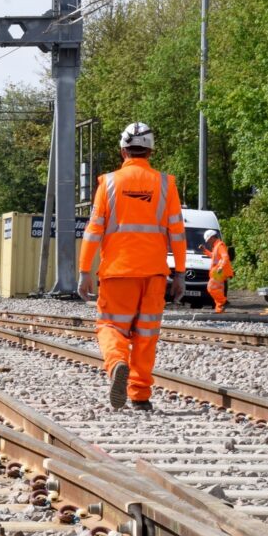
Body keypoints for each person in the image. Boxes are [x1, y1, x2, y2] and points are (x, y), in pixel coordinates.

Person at [78, 122, 187, 412]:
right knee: (146, 334)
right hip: (153, 274)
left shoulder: (110, 183)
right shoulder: (166, 184)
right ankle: (139, 395)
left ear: (123, 150)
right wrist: (179, 274)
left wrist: (84, 270)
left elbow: (94, 230)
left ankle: (116, 365)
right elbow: (177, 232)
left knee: (110, 325)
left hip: (117, 272)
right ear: (150, 151)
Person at [201, 229, 233, 313]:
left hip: (220, 271)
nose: (208, 242)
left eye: (208, 240)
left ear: (212, 237)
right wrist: (205, 251)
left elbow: (225, 257)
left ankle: (224, 302)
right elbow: (214, 257)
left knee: (211, 288)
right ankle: (219, 310)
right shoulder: (216, 246)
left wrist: (221, 267)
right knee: (219, 290)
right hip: (219, 271)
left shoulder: (220, 245)